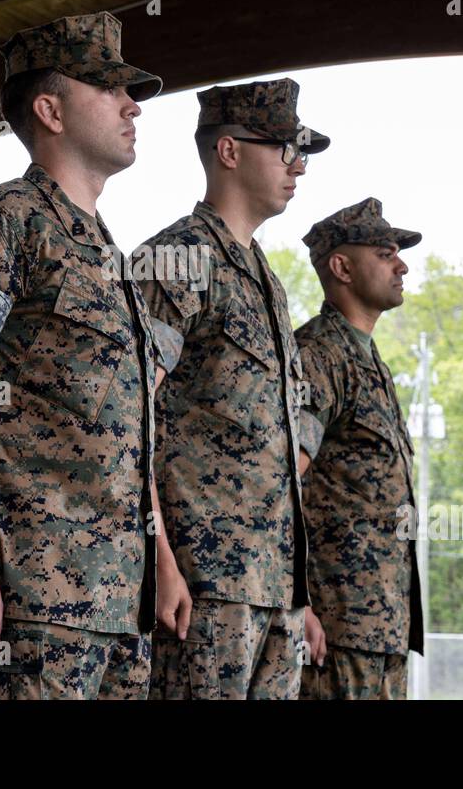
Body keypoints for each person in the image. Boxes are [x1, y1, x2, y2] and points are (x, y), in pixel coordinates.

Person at [0, 12, 180, 698]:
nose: (132, 104)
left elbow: (125, 432)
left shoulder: (109, 254)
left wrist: (160, 558)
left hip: (118, 607)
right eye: (108, 87)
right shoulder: (2, 223)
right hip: (31, 603)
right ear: (48, 108)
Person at [138, 78, 327, 699]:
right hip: (204, 581)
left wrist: (300, 595)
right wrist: (160, 560)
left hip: (272, 588)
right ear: (229, 151)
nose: (298, 166)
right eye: (284, 148)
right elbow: (126, 413)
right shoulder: (178, 259)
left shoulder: (266, 278)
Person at [294, 197, 424, 700]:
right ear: (342, 267)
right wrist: (296, 599)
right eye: (385, 253)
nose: (402, 264)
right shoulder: (319, 355)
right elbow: (284, 480)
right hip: (337, 630)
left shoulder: (370, 361)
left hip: (384, 628)